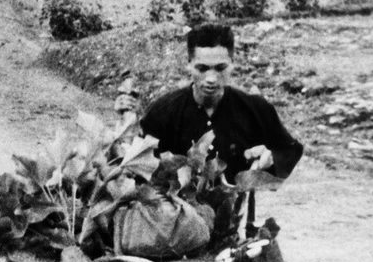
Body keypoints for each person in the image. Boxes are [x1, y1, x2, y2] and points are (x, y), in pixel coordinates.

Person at [115, 24, 304, 182]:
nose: (211, 78)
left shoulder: (255, 109)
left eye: (220, 68)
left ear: (232, 63)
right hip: (177, 217)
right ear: (188, 64)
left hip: (235, 216)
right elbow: (137, 167)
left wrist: (269, 158)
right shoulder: (162, 112)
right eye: (202, 68)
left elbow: (289, 149)